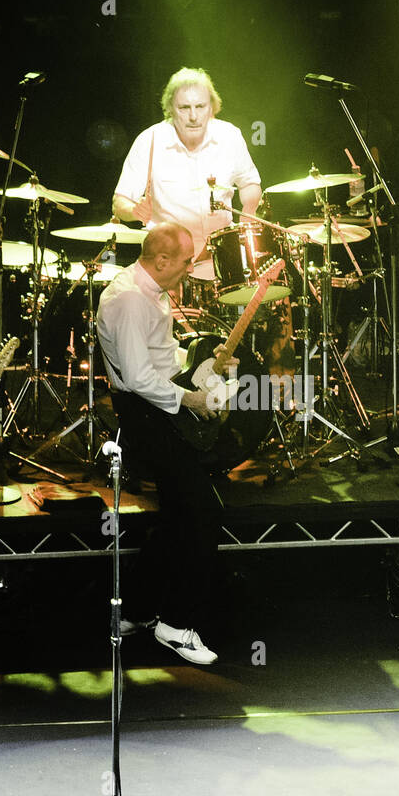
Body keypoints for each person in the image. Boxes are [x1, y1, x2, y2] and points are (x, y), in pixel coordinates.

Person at [95, 223, 234, 665]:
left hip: (152, 407)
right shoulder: (132, 301)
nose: (191, 269)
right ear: (161, 261)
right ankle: (176, 624)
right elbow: (137, 378)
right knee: (203, 511)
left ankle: (135, 612)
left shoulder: (146, 290)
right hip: (145, 414)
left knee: (176, 514)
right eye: (186, 261)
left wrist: (202, 363)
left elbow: (159, 356)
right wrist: (189, 397)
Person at [112, 66, 262, 281]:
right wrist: (134, 210)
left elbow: (249, 183)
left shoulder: (230, 136)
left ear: (212, 107)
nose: (193, 116)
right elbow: (119, 202)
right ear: (170, 108)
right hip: (166, 265)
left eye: (200, 106)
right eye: (184, 107)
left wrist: (249, 209)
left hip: (222, 259)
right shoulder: (149, 141)